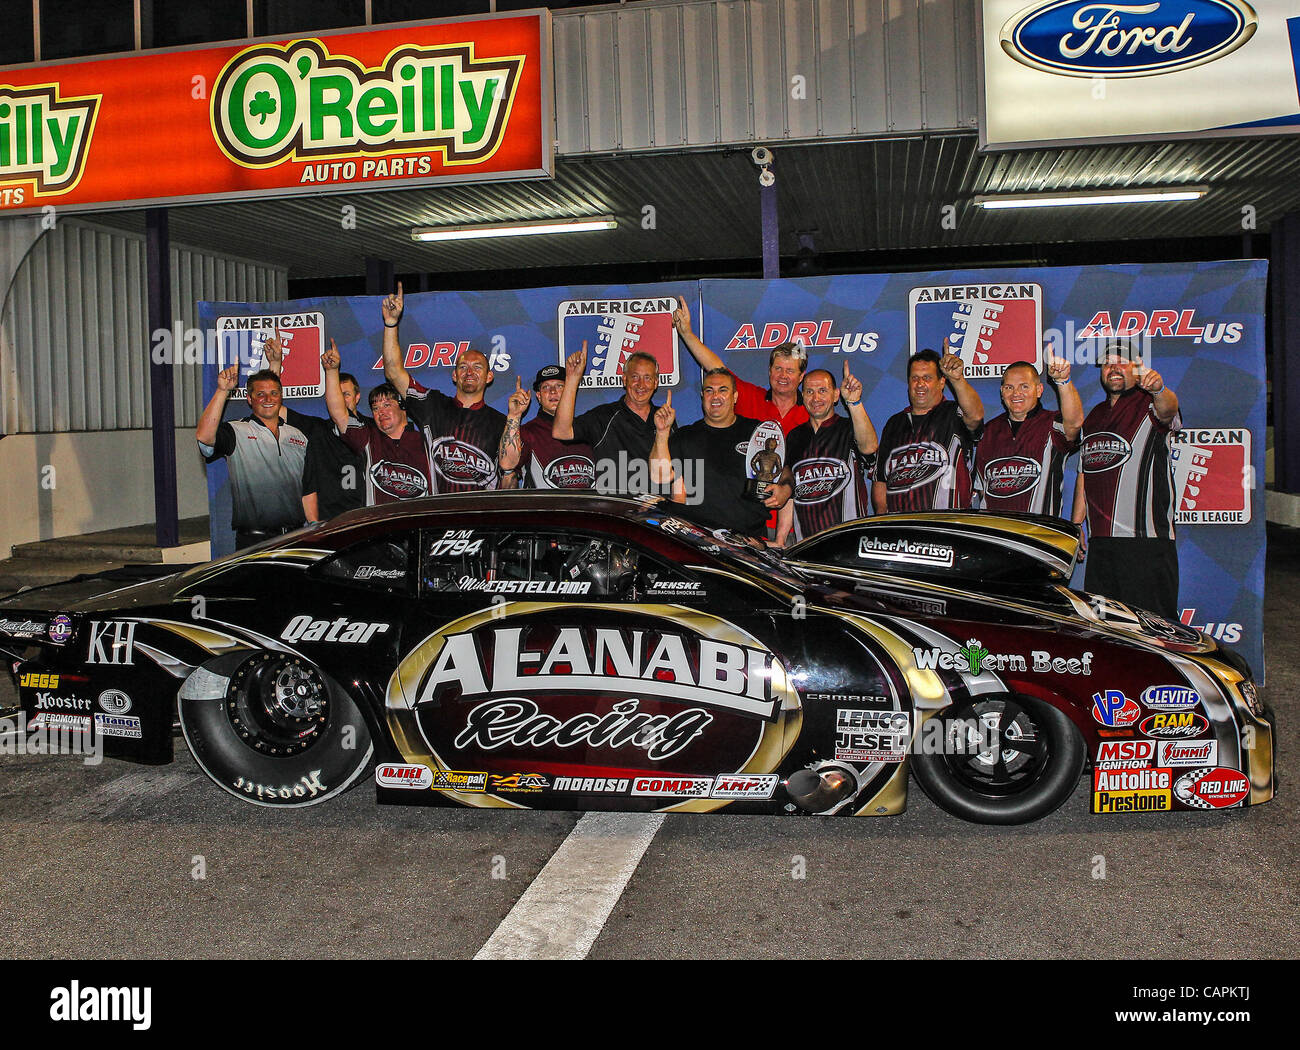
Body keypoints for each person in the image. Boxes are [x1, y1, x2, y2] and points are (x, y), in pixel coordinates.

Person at [1071, 341, 1182, 618]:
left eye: (1123, 361)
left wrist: (1158, 389)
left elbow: (1168, 409)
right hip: (1102, 544)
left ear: (1138, 367)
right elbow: (1085, 472)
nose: (1114, 368)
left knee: (1155, 629)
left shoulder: (1149, 404)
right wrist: (1076, 524)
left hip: (1145, 542)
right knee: (1108, 631)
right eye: (1108, 363)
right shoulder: (1094, 416)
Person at [379, 282, 517, 491]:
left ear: (489, 376)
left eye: (477, 367)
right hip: (438, 519)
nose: (469, 372)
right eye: (463, 367)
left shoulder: (502, 423)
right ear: (454, 375)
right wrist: (390, 324)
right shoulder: (432, 405)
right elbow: (392, 371)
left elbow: (510, 482)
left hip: (484, 521)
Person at [650, 367, 793, 539]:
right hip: (698, 543)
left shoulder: (757, 432)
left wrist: (785, 489)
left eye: (723, 390)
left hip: (749, 543)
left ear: (735, 397)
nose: (715, 396)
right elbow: (658, 476)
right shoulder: (684, 437)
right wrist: (662, 433)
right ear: (703, 396)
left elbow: (785, 472)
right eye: (709, 390)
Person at [196, 363, 309, 550]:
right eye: (260, 394)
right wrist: (222, 391)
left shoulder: (298, 435)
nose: (268, 399)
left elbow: (309, 488)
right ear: (249, 399)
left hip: (295, 538)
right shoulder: (236, 430)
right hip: (254, 541)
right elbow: (204, 437)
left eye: (274, 393)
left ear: (281, 396)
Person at [258, 332, 365, 524]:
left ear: (357, 397)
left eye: (346, 394)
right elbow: (271, 409)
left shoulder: (372, 430)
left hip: (366, 521)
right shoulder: (318, 430)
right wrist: (275, 364)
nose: (340, 399)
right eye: (337, 394)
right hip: (327, 524)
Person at [873, 342, 984, 513]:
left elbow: (976, 415)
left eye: (927, 378)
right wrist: (883, 522)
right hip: (901, 532)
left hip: (946, 529)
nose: (920, 384)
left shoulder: (953, 413)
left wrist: (957, 379)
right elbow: (881, 479)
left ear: (941, 382)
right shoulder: (894, 423)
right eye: (915, 378)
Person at [671, 296, 809, 434]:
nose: (782, 376)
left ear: (801, 376)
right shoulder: (751, 397)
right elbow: (716, 368)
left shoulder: (812, 409)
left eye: (790, 370)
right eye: (778, 368)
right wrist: (686, 333)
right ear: (769, 371)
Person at [777, 361, 878, 544]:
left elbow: (869, 448)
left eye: (823, 391)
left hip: (849, 543)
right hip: (806, 548)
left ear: (835, 395)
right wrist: (780, 539)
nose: (815, 398)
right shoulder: (794, 436)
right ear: (802, 396)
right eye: (809, 391)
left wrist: (854, 402)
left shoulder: (850, 427)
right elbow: (789, 491)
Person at [552, 341, 670, 494]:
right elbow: (561, 432)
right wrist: (572, 379)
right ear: (624, 380)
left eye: (647, 378)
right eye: (635, 377)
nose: (641, 385)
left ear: (656, 383)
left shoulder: (665, 420)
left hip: (657, 511)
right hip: (617, 512)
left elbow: (676, 475)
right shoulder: (604, 417)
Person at [322, 342, 432, 505]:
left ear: (403, 407)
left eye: (387, 405)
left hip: (419, 525)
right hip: (379, 526)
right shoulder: (368, 438)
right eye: (375, 408)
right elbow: (339, 414)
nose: (380, 412)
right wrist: (331, 372)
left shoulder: (426, 442)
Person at [974, 356, 1083, 516]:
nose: (1016, 393)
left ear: (1039, 390)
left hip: (1038, 536)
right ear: (1002, 392)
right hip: (996, 535)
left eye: (1024, 386)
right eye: (1009, 387)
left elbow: (1074, 423)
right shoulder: (989, 430)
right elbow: (983, 489)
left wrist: (1063, 381)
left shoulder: (1052, 424)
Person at [505, 364, 596, 490]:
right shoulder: (527, 432)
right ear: (539, 396)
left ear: (570, 392)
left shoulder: (588, 430)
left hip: (585, 509)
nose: (553, 391)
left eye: (559, 386)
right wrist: (514, 416)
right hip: (543, 509)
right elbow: (507, 469)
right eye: (546, 387)